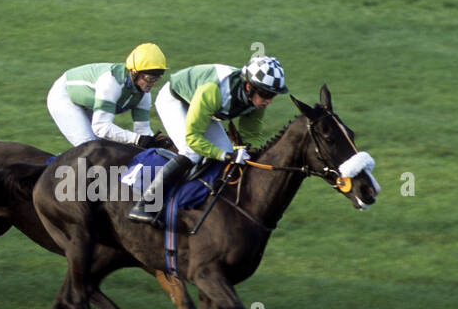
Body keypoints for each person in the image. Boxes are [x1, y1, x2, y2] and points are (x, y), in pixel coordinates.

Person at [128, 56, 288, 227]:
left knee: (227, 149)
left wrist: (241, 150)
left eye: (273, 95)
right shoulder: (214, 91)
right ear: (249, 86)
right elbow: (193, 138)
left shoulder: (256, 101)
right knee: (192, 151)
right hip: (175, 99)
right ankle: (144, 205)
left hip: (201, 104)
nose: (269, 100)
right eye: (266, 94)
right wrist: (225, 156)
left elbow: (249, 135)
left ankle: (201, 196)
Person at [47, 43, 166, 148]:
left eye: (157, 78)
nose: (154, 83)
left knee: (105, 150)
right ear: (134, 72)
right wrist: (136, 139)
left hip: (89, 103)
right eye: (150, 78)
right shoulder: (111, 83)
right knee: (90, 147)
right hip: (64, 96)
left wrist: (156, 143)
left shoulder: (144, 95)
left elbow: (142, 130)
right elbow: (101, 127)